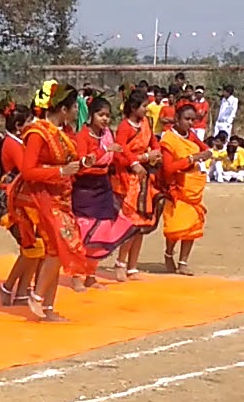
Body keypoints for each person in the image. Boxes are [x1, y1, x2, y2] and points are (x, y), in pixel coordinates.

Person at [9, 80, 85, 321]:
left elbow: (68, 164)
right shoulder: (37, 133)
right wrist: (61, 172)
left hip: (60, 196)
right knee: (57, 248)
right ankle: (38, 296)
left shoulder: (61, 133)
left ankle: (48, 308)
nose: (76, 112)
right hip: (40, 196)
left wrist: (82, 165)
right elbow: (29, 171)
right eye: (74, 107)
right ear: (63, 109)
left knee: (59, 249)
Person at [71, 95, 136, 291]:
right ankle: (76, 275)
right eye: (101, 115)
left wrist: (135, 162)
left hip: (103, 185)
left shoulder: (108, 134)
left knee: (103, 230)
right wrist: (104, 150)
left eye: (108, 115)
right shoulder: (81, 137)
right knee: (83, 232)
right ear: (91, 116)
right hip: (85, 188)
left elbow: (117, 156)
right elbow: (82, 165)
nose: (105, 119)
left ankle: (91, 275)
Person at [0, 99, 42, 306]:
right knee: (32, 247)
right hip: (15, 203)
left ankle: (21, 291)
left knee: (33, 248)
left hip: (24, 200)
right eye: (30, 121)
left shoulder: (17, 142)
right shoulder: (12, 144)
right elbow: (26, 170)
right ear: (19, 126)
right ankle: (8, 286)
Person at [112, 89, 165, 281]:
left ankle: (132, 266)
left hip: (144, 179)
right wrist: (140, 159)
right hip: (128, 179)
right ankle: (120, 263)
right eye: (144, 106)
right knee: (130, 223)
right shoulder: (125, 127)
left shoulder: (146, 124)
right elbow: (119, 153)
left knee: (141, 222)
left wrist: (155, 155)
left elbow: (154, 144)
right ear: (134, 108)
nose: (147, 109)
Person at [159, 104, 212, 275]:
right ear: (177, 119)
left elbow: (205, 149)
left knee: (192, 227)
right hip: (176, 188)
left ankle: (183, 262)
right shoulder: (168, 138)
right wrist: (192, 159)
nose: (190, 123)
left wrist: (205, 155)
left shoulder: (191, 135)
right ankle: (168, 254)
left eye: (193, 120)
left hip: (193, 187)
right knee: (175, 227)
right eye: (187, 119)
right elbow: (168, 168)